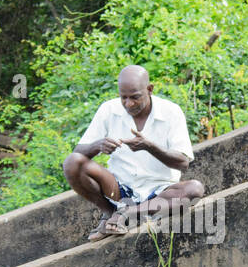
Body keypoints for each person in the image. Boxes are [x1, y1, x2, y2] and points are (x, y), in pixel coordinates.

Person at [63, 65, 205, 240]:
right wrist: (98, 146)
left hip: (159, 192)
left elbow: (183, 162)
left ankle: (129, 214)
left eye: (135, 98)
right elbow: (78, 153)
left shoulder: (171, 112)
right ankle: (110, 213)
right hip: (119, 190)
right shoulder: (109, 110)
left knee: (194, 189)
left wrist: (149, 146)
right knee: (72, 162)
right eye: (124, 98)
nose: (128, 104)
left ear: (150, 89)